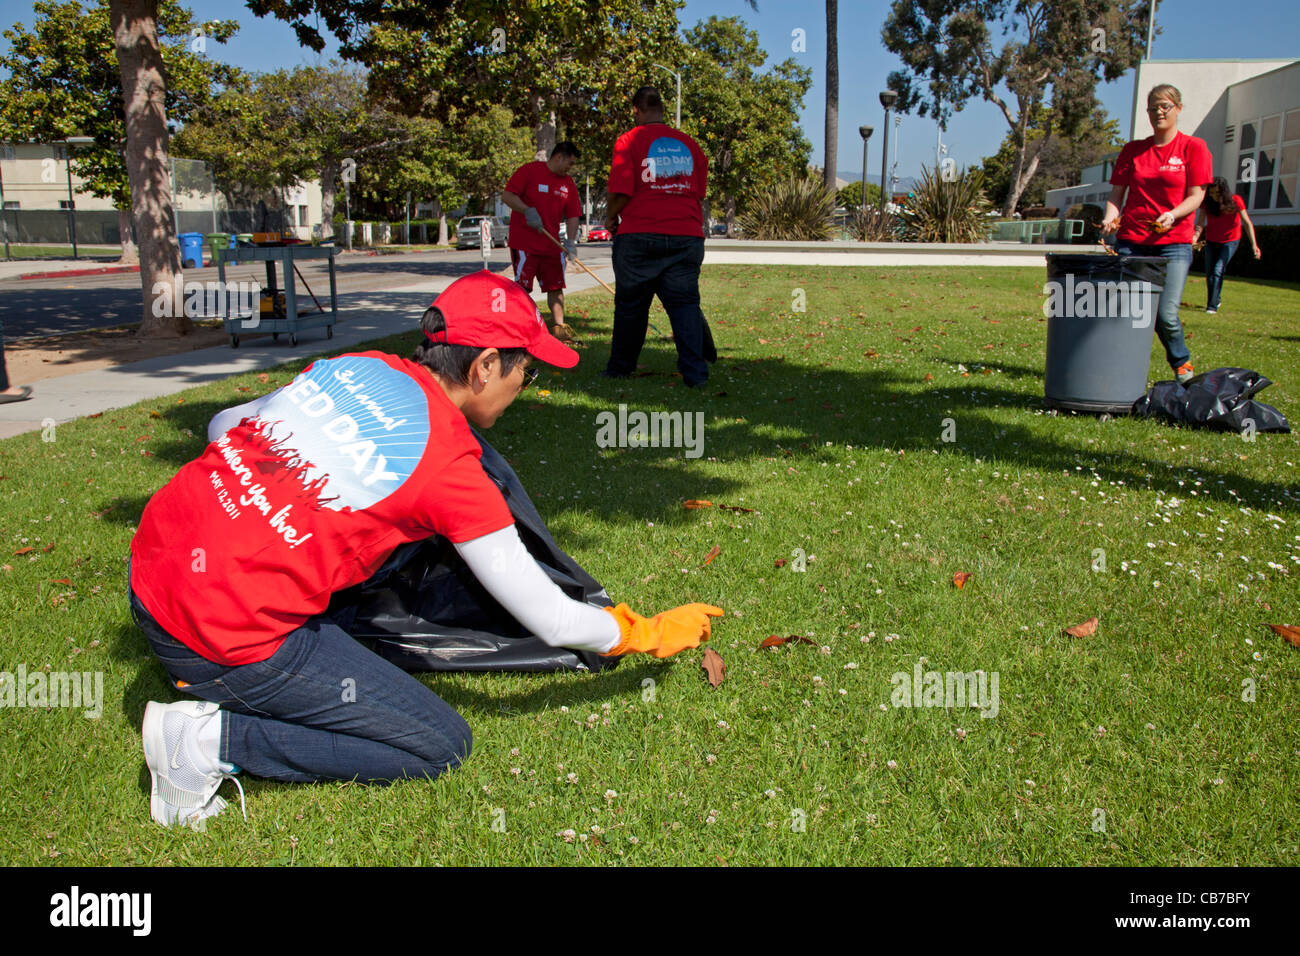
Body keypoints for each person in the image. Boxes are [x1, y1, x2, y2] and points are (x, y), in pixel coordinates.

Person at [129, 270, 723, 829]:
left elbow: (222, 423)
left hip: (152, 568)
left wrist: (267, 498)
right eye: (529, 371)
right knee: (437, 744)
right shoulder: (451, 471)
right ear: (486, 366)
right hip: (217, 639)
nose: (527, 387)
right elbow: (549, 615)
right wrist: (645, 633)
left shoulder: (357, 366)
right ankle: (204, 741)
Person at [1101, 84, 1212, 384]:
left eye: (1165, 106)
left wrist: (1172, 215)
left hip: (1173, 244)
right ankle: (1119, 372)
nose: (1158, 112)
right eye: (1153, 107)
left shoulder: (1193, 148)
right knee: (1127, 313)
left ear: (1178, 108)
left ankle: (1183, 367)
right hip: (1132, 242)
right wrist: (1110, 218)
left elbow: (1197, 196)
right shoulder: (1133, 150)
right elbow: (1116, 195)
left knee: (1164, 314)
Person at [603, 86, 712, 388]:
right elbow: (697, 193)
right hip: (686, 235)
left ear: (636, 110)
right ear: (662, 109)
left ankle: (620, 369)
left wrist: (611, 217)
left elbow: (621, 191)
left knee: (631, 305)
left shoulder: (630, 140)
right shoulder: (691, 145)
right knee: (685, 305)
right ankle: (696, 374)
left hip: (640, 234)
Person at [502, 142, 582, 342]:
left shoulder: (567, 184)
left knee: (555, 287)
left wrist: (571, 242)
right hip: (525, 243)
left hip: (552, 245)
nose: (570, 168)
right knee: (522, 288)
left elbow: (573, 215)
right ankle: (519, 330)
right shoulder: (530, 171)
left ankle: (559, 328)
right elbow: (507, 195)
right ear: (559, 157)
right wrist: (526, 210)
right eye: (569, 163)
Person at [1193, 176, 1261, 314]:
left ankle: (1211, 307)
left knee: (1218, 270)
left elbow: (1247, 223)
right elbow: (1200, 222)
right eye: (1211, 193)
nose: (1214, 196)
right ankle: (1216, 299)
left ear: (1224, 192)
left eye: (1217, 193)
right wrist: (1195, 236)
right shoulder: (1207, 203)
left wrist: (1254, 245)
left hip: (1230, 241)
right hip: (1212, 240)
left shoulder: (1236, 201)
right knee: (1210, 273)